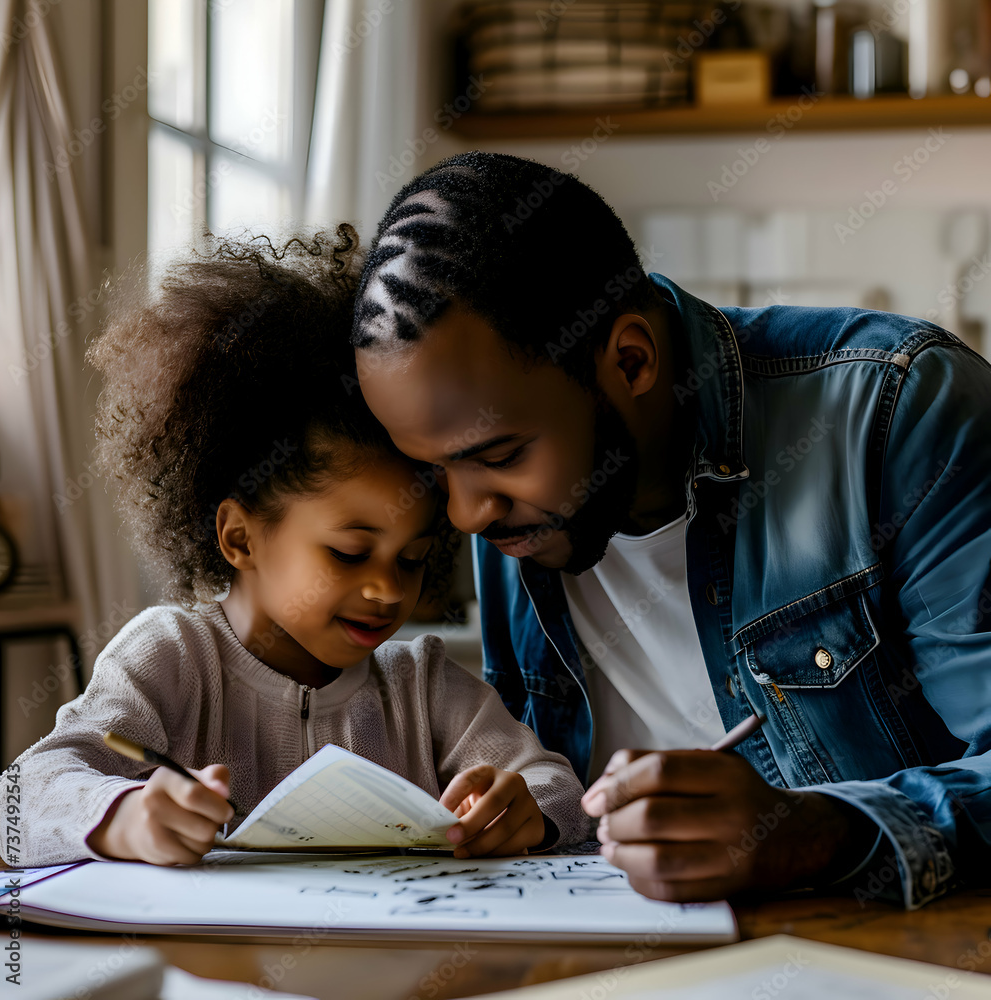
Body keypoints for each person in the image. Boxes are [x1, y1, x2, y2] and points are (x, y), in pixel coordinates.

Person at [350, 151, 991, 910]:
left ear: (630, 360)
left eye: (498, 456)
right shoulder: (515, 514)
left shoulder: (897, 415)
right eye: (435, 471)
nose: (465, 515)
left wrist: (815, 833)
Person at [0, 229, 587, 868]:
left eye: (411, 559)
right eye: (350, 553)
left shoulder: (425, 685)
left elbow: (561, 791)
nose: (388, 591)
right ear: (240, 537)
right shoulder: (172, 658)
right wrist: (126, 818)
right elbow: (21, 796)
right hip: (208, 964)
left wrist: (524, 809)